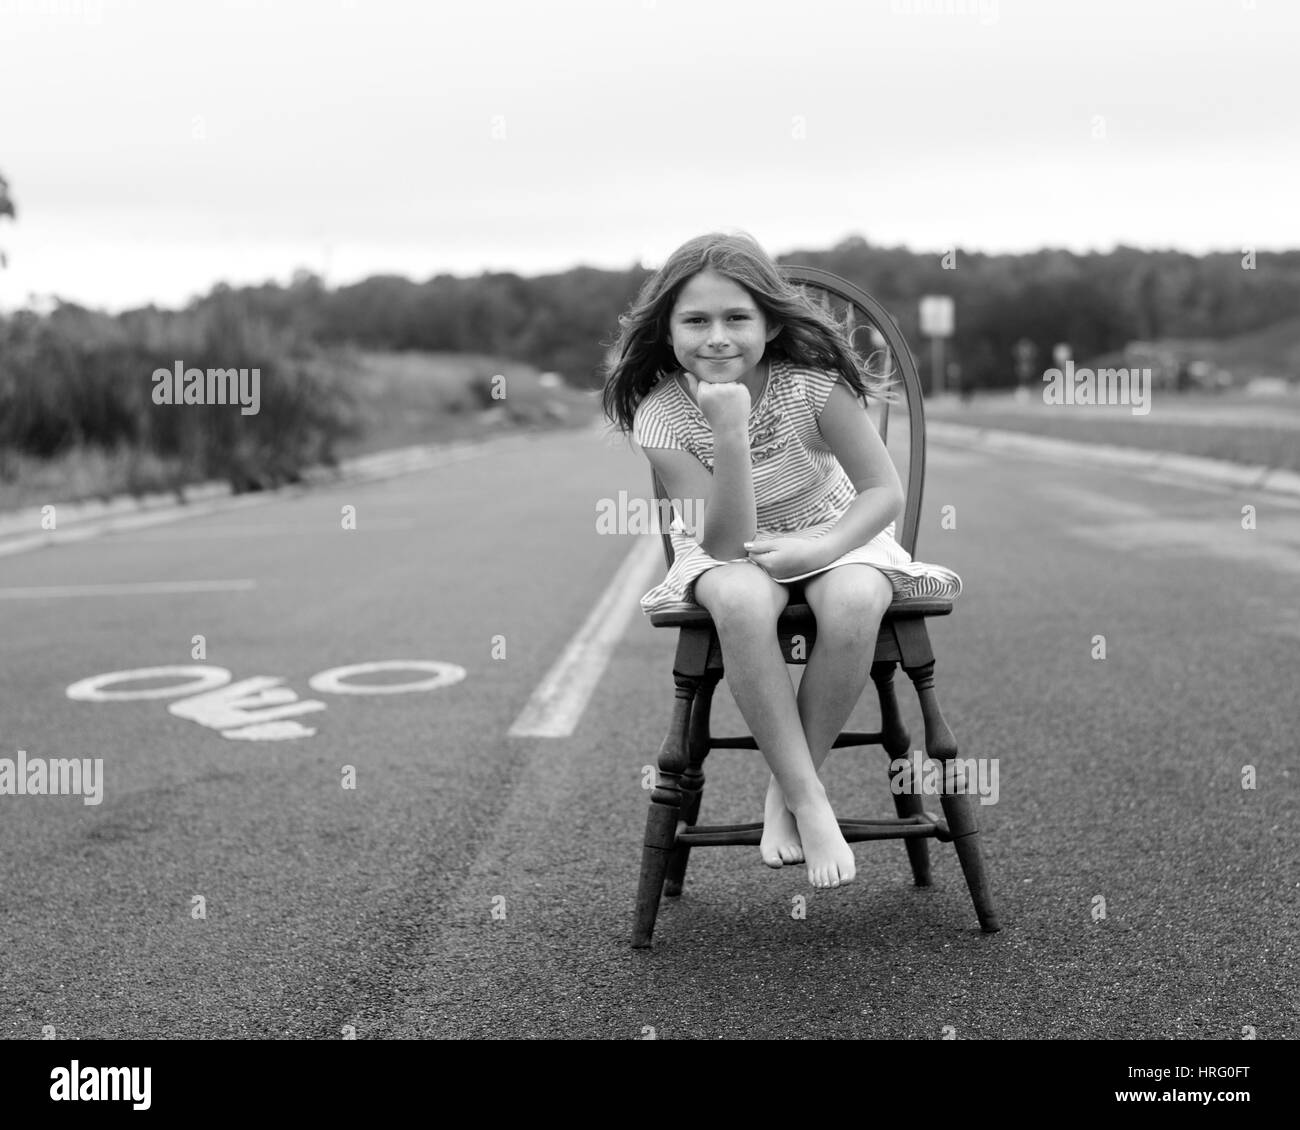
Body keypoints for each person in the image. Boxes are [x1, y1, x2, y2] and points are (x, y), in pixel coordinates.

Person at [601, 231, 962, 891]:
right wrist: (730, 431)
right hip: (724, 545)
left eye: (737, 317)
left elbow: (883, 492)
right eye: (696, 320)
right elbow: (728, 545)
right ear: (668, 329)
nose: (717, 337)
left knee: (855, 600)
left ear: (769, 323)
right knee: (739, 599)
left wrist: (822, 548)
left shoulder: (813, 387)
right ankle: (811, 798)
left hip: (835, 531)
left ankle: (789, 790)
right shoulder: (661, 414)